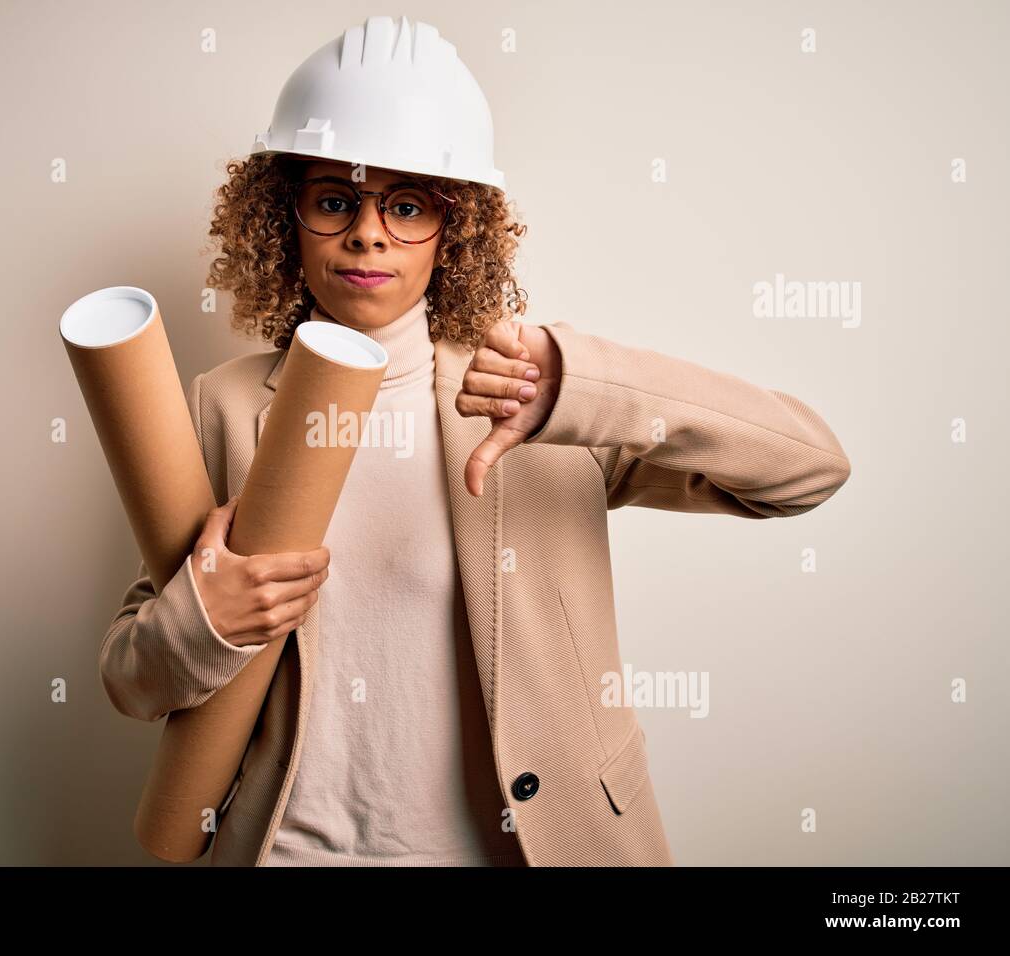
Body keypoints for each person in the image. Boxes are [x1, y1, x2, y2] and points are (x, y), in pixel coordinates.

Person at [97, 16, 851, 867]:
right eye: (336, 199)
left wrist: (583, 385)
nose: (369, 233)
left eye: (409, 205)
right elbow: (130, 678)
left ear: (454, 232)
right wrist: (202, 623)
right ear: (286, 219)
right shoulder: (222, 409)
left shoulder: (535, 399)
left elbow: (809, 468)